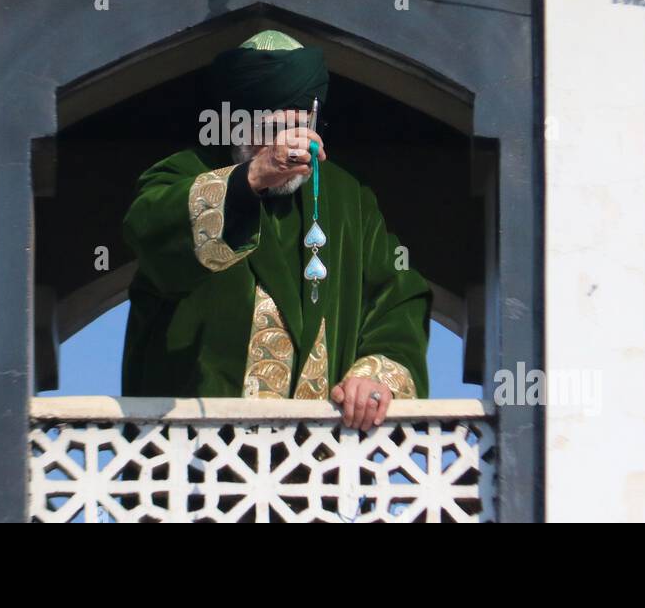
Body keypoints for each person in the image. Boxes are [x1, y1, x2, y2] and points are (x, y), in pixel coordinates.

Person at [121, 30, 431, 429]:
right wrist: (251, 177)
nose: (284, 146)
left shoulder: (347, 197)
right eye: (266, 130)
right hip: (196, 462)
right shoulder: (183, 173)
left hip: (319, 466)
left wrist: (376, 374)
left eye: (297, 127)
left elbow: (398, 297)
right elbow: (152, 235)